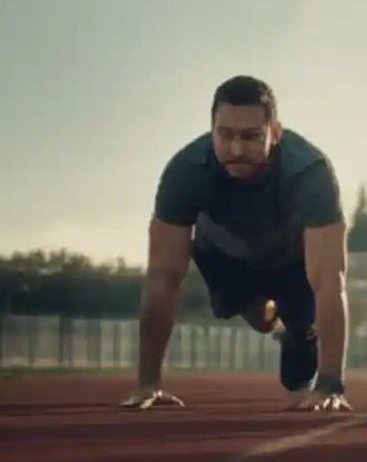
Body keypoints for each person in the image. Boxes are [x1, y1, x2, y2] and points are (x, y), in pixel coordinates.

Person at [120, 75, 353, 412]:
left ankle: (299, 333)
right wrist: (148, 383)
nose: (237, 150)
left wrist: (332, 385)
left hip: (292, 261)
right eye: (225, 135)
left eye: (251, 136)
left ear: (275, 132)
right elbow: (162, 277)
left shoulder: (310, 172)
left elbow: (331, 279)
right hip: (228, 258)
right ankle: (275, 320)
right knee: (260, 321)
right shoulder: (185, 172)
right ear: (211, 129)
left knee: (301, 342)